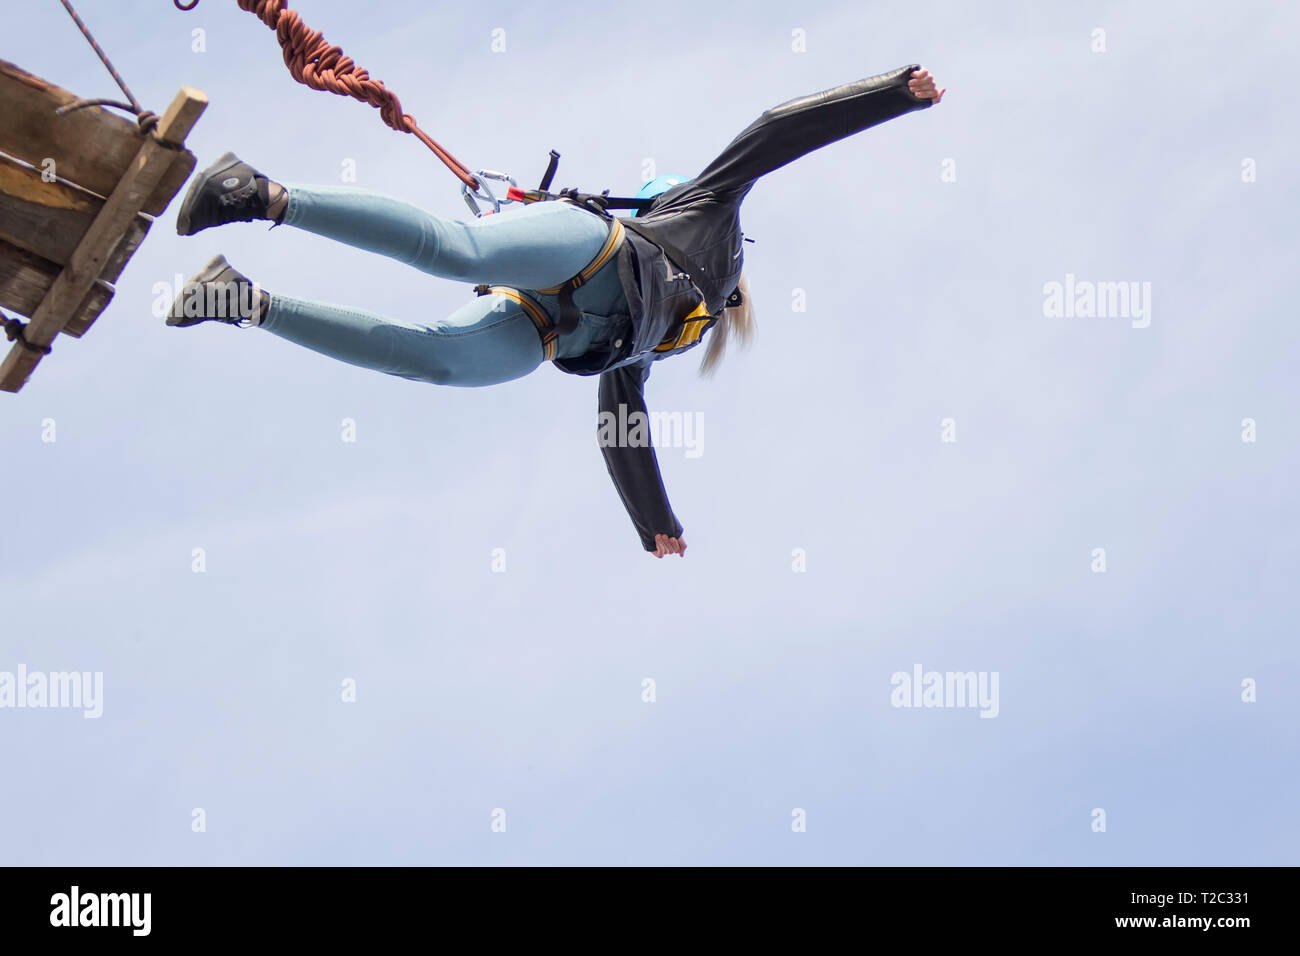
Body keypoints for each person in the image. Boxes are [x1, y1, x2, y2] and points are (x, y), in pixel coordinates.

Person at [170, 65, 944, 557]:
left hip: (548, 328)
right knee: (457, 250)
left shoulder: (665, 339)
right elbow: (778, 132)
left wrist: (653, 520)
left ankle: (242, 298)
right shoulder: (706, 212)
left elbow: (621, 423)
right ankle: (259, 194)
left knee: (435, 360)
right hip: (589, 249)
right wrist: (890, 95)